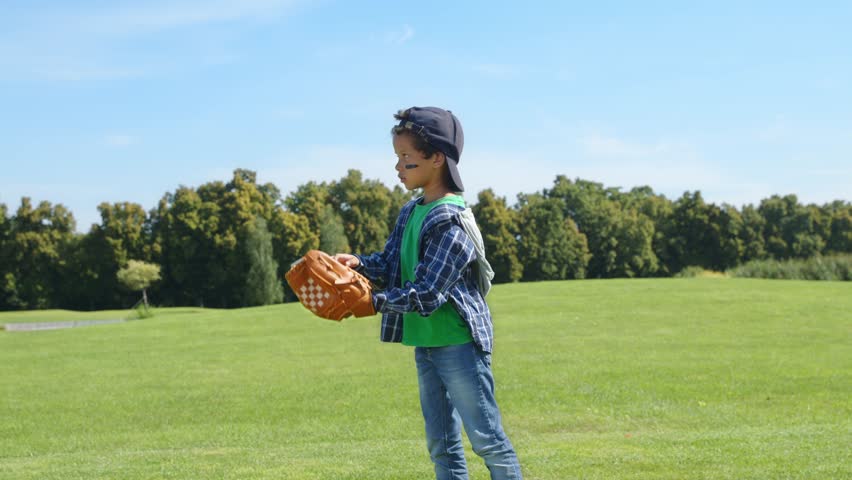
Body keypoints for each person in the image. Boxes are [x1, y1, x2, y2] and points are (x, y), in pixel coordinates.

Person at [333, 107, 523, 480]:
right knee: (442, 445)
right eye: (397, 158)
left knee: (487, 441)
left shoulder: (450, 220)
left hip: (458, 345)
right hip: (427, 344)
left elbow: (428, 292)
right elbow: (390, 264)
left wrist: (371, 303)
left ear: (437, 158)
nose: (398, 167)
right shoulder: (411, 211)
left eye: (406, 158)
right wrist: (356, 263)